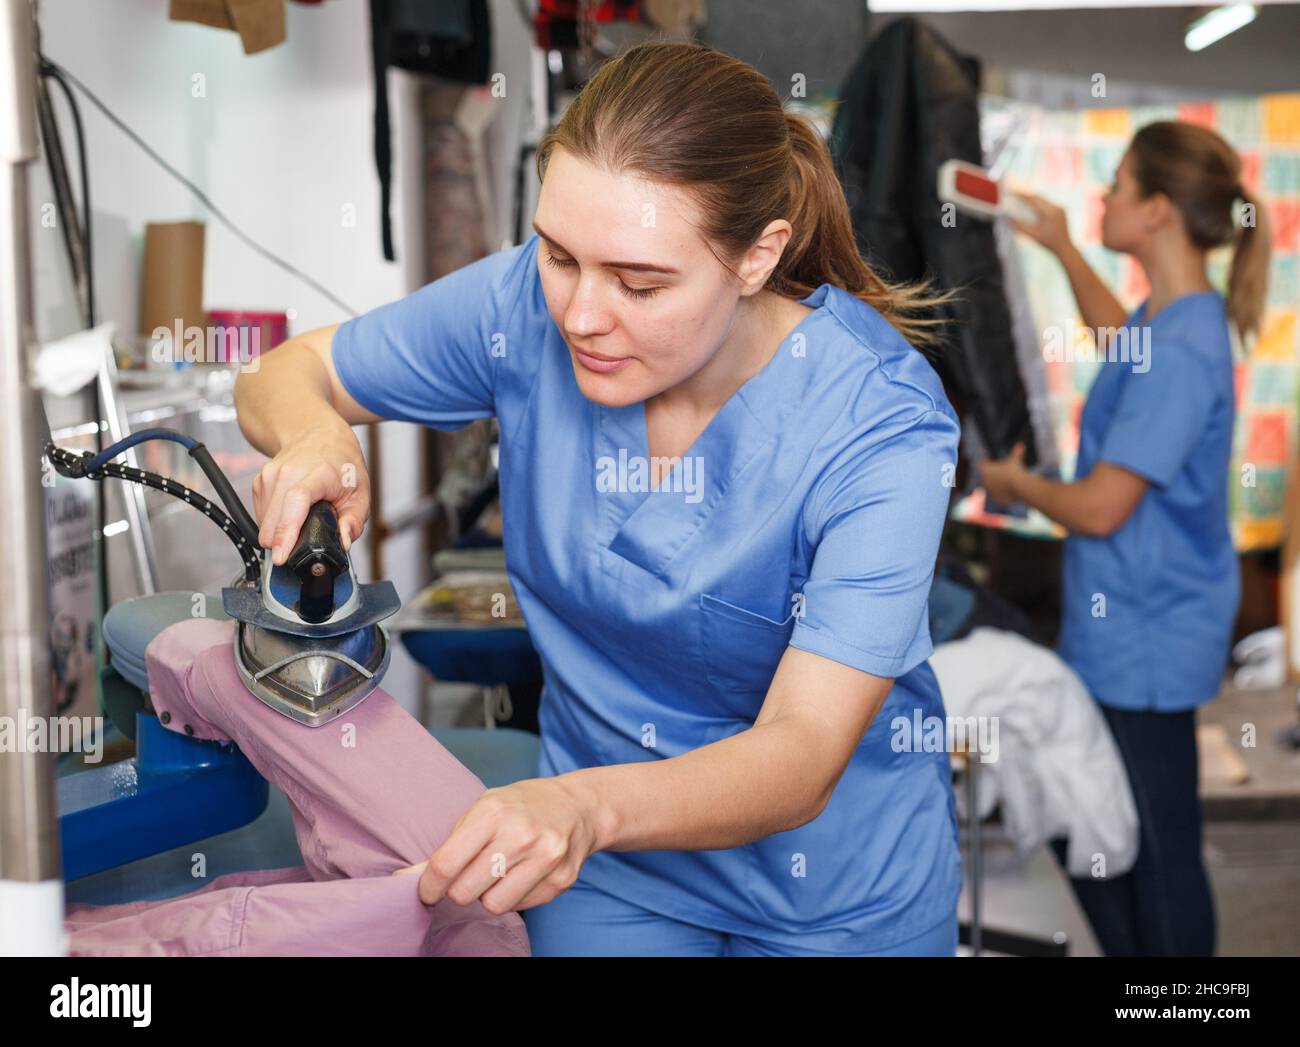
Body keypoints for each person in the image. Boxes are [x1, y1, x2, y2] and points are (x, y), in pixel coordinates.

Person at [235, 40, 965, 956]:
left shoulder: (879, 423)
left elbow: (801, 752)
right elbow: (282, 370)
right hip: (605, 872)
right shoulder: (523, 308)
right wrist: (316, 434)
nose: (580, 313)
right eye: (559, 255)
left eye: (640, 281)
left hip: (834, 886)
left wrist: (580, 806)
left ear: (757, 256)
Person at [981, 120, 1271, 956]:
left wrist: (1015, 486)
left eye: (1117, 185)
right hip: (1138, 623)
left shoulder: (1183, 347)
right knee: (1118, 826)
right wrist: (1065, 248)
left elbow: (1104, 507)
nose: (1103, 196)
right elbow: (1126, 343)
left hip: (1145, 634)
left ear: (1157, 214)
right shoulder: (1174, 319)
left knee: (1150, 846)